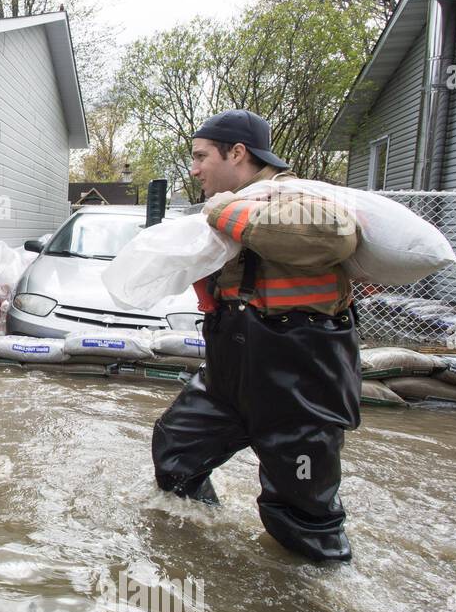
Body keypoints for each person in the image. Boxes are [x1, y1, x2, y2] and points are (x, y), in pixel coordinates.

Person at [151, 109, 362, 563]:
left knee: (303, 519)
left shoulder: (296, 195)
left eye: (201, 156)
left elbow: (334, 236)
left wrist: (223, 211)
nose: (194, 168)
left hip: (301, 384)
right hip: (231, 374)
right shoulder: (238, 203)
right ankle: (205, 550)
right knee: (176, 454)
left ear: (239, 153)